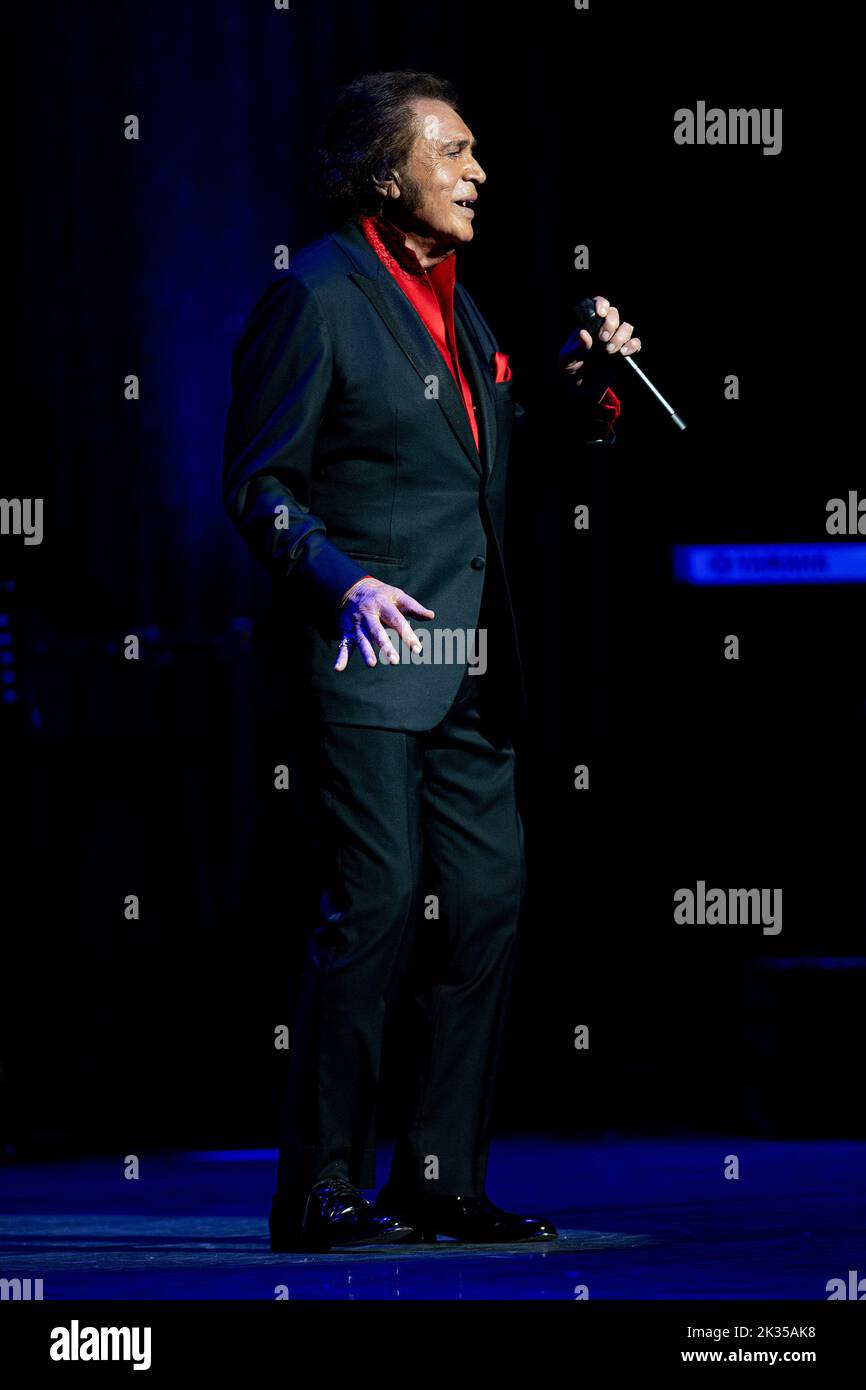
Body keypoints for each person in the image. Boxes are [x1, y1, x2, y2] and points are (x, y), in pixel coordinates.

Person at [223, 70, 641, 1252]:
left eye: (475, 153)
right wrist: (337, 574)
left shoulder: (459, 304)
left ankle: (438, 1177)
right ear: (384, 173)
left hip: (471, 659)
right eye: (452, 152)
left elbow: (490, 449)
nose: (477, 172)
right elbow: (259, 482)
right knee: (372, 909)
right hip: (365, 651)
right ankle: (319, 1190)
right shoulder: (316, 293)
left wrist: (582, 378)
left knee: (489, 903)